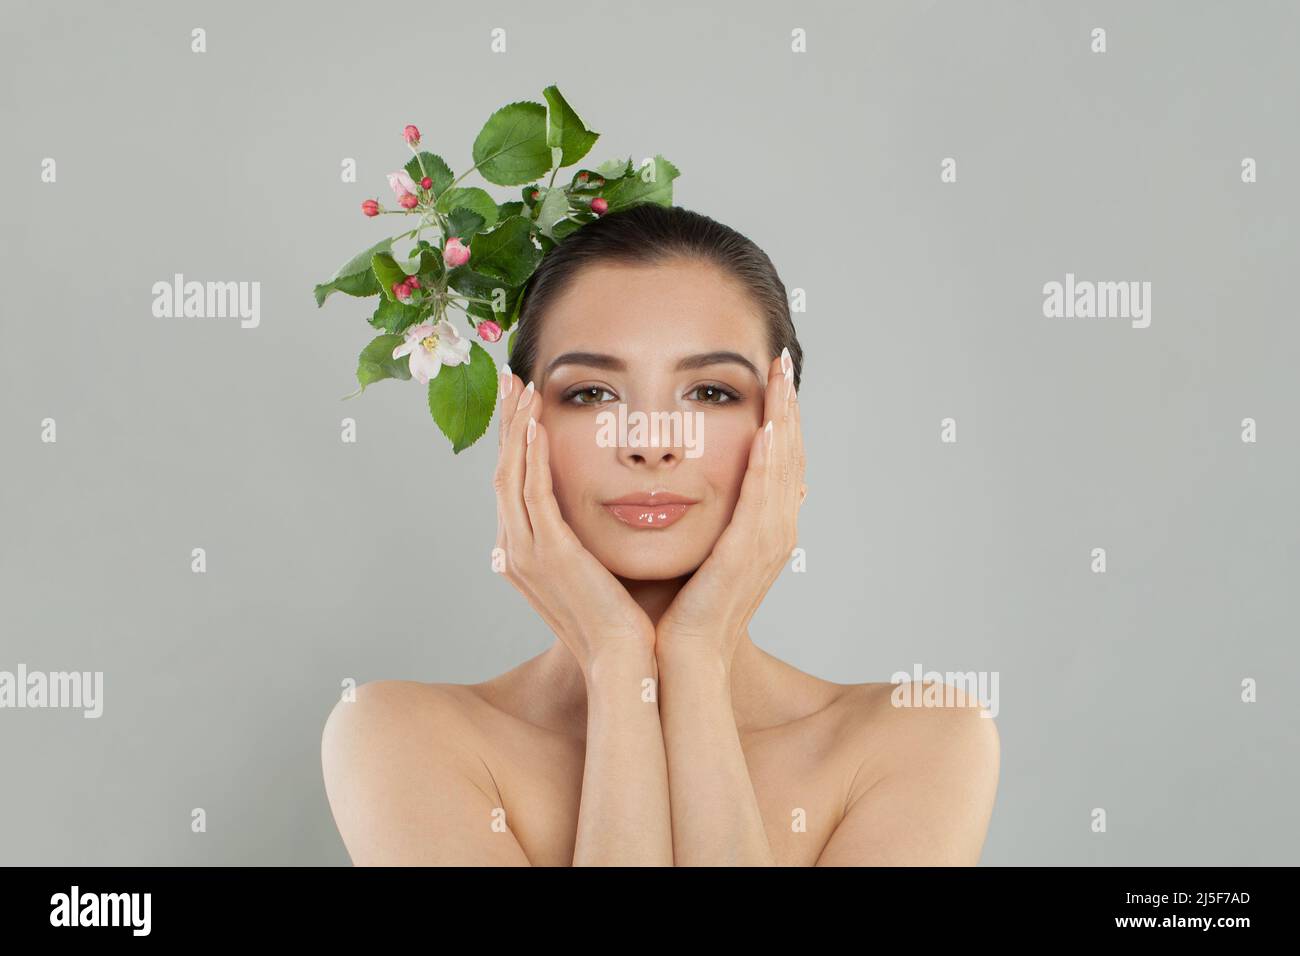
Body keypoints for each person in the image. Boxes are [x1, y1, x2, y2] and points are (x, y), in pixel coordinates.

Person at [321, 204, 1000, 866]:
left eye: (710, 393)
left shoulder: (921, 739)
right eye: (593, 394)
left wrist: (696, 658)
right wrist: (617, 662)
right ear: (521, 428)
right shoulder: (400, 736)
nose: (650, 441)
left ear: (783, 427)